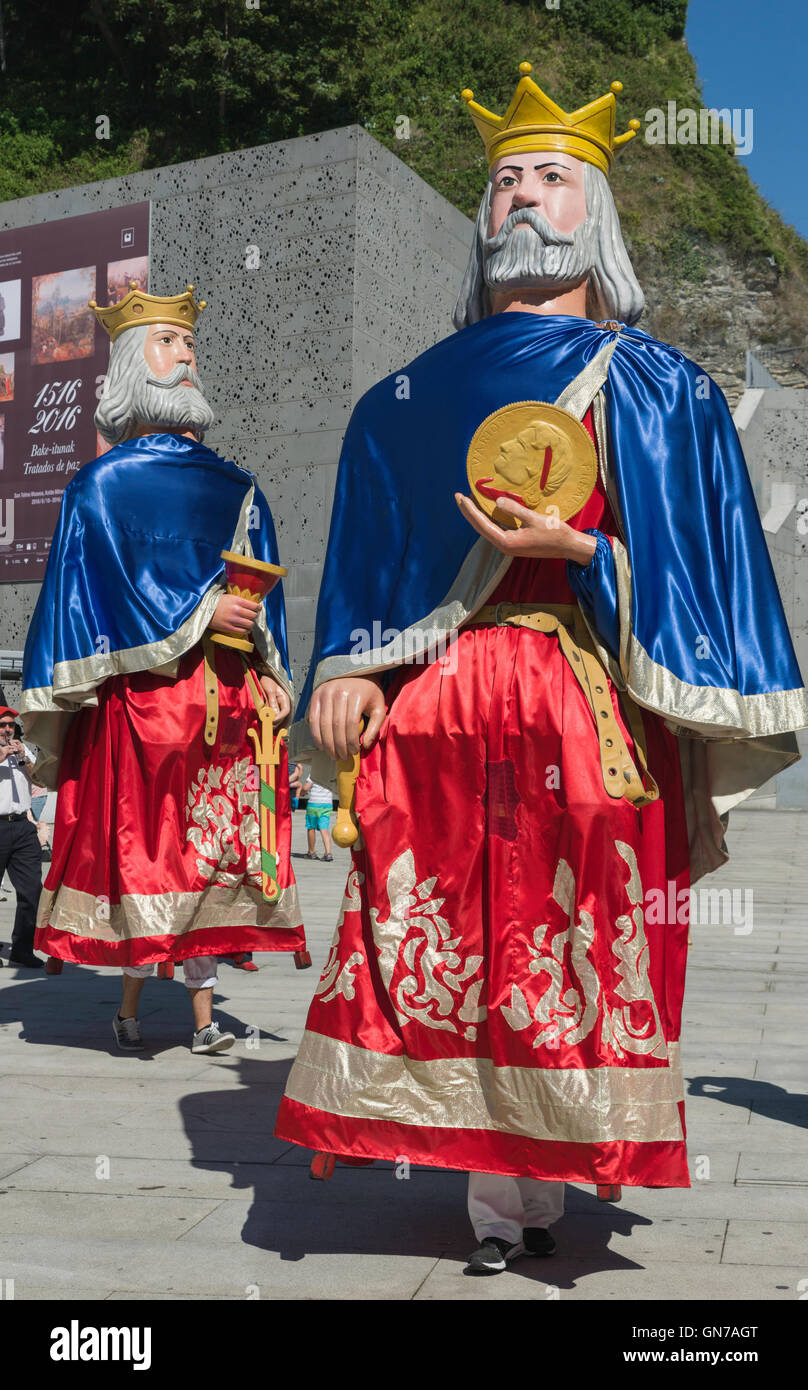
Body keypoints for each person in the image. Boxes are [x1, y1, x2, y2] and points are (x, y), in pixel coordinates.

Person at [274, 63, 808, 1274]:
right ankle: (485, 1184)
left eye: (552, 178)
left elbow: (713, 573)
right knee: (442, 931)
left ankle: (542, 1159)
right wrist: (347, 666)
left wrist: (591, 550)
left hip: (590, 700)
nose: (523, 197)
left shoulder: (660, 388)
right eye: (505, 178)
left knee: (576, 932)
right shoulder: (402, 399)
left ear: (596, 213)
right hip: (448, 704)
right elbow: (369, 560)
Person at [20, 282, 308, 1054]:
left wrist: (275, 667)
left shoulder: (236, 485)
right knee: (152, 852)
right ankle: (136, 1003)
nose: (185, 356)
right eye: (167, 344)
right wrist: (200, 613)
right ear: (128, 367)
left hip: (228, 704)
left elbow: (262, 582)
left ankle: (194, 1016)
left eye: (188, 345)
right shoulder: (101, 486)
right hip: (145, 704)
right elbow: (93, 592)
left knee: (210, 856)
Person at [0, 706, 43, 967]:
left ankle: (22, 948)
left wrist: (24, 758)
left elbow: (40, 779)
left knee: (32, 890)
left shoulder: (22, 749)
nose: (7, 730)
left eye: (11, 725)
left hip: (22, 826)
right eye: (3, 725)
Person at [302, 776, 334, 861]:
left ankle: (311, 852)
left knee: (311, 827)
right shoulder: (332, 773)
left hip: (314, 804)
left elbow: (306, 787)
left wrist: (302, 792)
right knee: (324, 828)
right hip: (327, 804)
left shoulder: (314, 773)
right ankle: (328, 853)